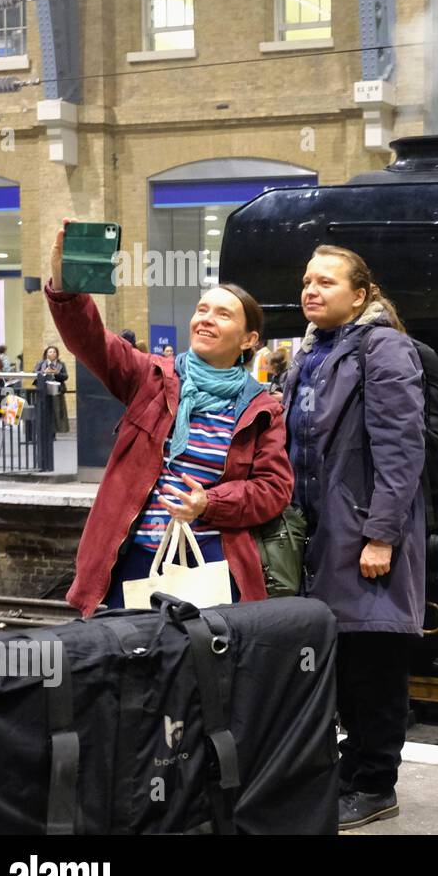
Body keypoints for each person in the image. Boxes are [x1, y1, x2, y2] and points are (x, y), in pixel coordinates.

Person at [43, 219, 294, 616]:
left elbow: (274, 489)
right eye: (201, 309)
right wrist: (66, 287)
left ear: (249, 340)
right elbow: (90, 339)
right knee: (128, 670)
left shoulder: (262, 409)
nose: (206, 318)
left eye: (223, 314)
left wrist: (208, 502)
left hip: (214, 563)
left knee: (200, 674)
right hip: (134, 559)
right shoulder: (152, 378)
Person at [280, 244, 425, 831]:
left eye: (326, 282)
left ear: (361, 294)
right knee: (341, 662)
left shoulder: (384, 347)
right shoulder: (312, 350)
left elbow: (400, 447)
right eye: (308, 281)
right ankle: (349, 772)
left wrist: (382, 535)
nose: (311, 291)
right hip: (320, 530)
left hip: (363, 530)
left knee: (374, 659)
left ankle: (375, 783)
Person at [35, 345, 70, 435]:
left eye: (54, 352)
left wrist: (57, 373)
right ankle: (45, 432)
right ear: (46, 353)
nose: (52, 353)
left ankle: (54, 432)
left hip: (57, 391)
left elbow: (65, 376)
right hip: (44, 391)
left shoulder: (61, 364)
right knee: (45, 411)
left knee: (56, 411)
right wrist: (44, 372)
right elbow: (35, 374)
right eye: (50, 352)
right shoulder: (41, 363)